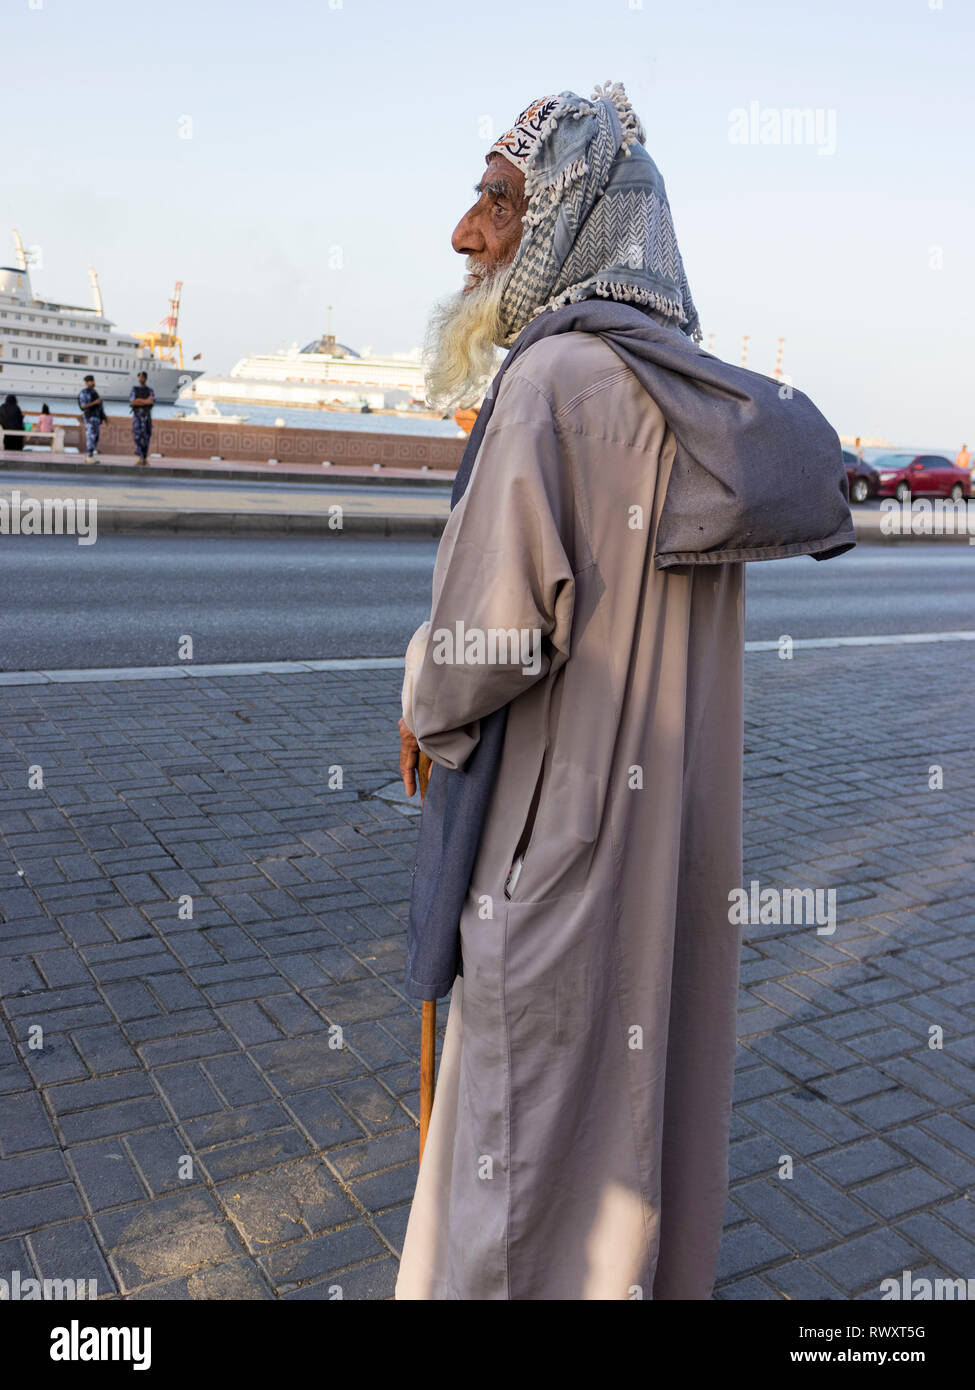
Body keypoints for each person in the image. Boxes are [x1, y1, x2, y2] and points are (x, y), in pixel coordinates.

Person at [394, 83, 854, 1302]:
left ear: (572, 221)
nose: (465, 233)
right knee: (633, 1130)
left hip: (556, 852)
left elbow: (479, 654)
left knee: (518, 1164)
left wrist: (419, 701)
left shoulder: (552, 390)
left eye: (499, 200)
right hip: (670, 851)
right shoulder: (693, 406)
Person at [129, 371, 155, 464]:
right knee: (137, 437)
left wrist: (139, 400)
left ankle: (144, 457)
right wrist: (145, 401)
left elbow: (151, 402)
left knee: (146, 437)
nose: (141, 379)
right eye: (139, 377)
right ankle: (139, 456)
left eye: (142, 377)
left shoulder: (150, 390)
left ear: (146, 379)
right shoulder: (134, 389)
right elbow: (132, 402)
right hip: (137, 417)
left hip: (146, 417)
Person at [78, 375, 105, 460]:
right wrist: (95, 402)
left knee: (95, 437)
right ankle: (88, 456)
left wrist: (103, 416)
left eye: (93, 380)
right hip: (90, 417)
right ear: (86, 383)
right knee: (91, 437)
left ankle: (91, 456)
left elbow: (99, 405)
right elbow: (83, 406)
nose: (93, 382)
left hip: (96, 418)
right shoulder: (84, 392)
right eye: (90, 381)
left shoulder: (94, 392)